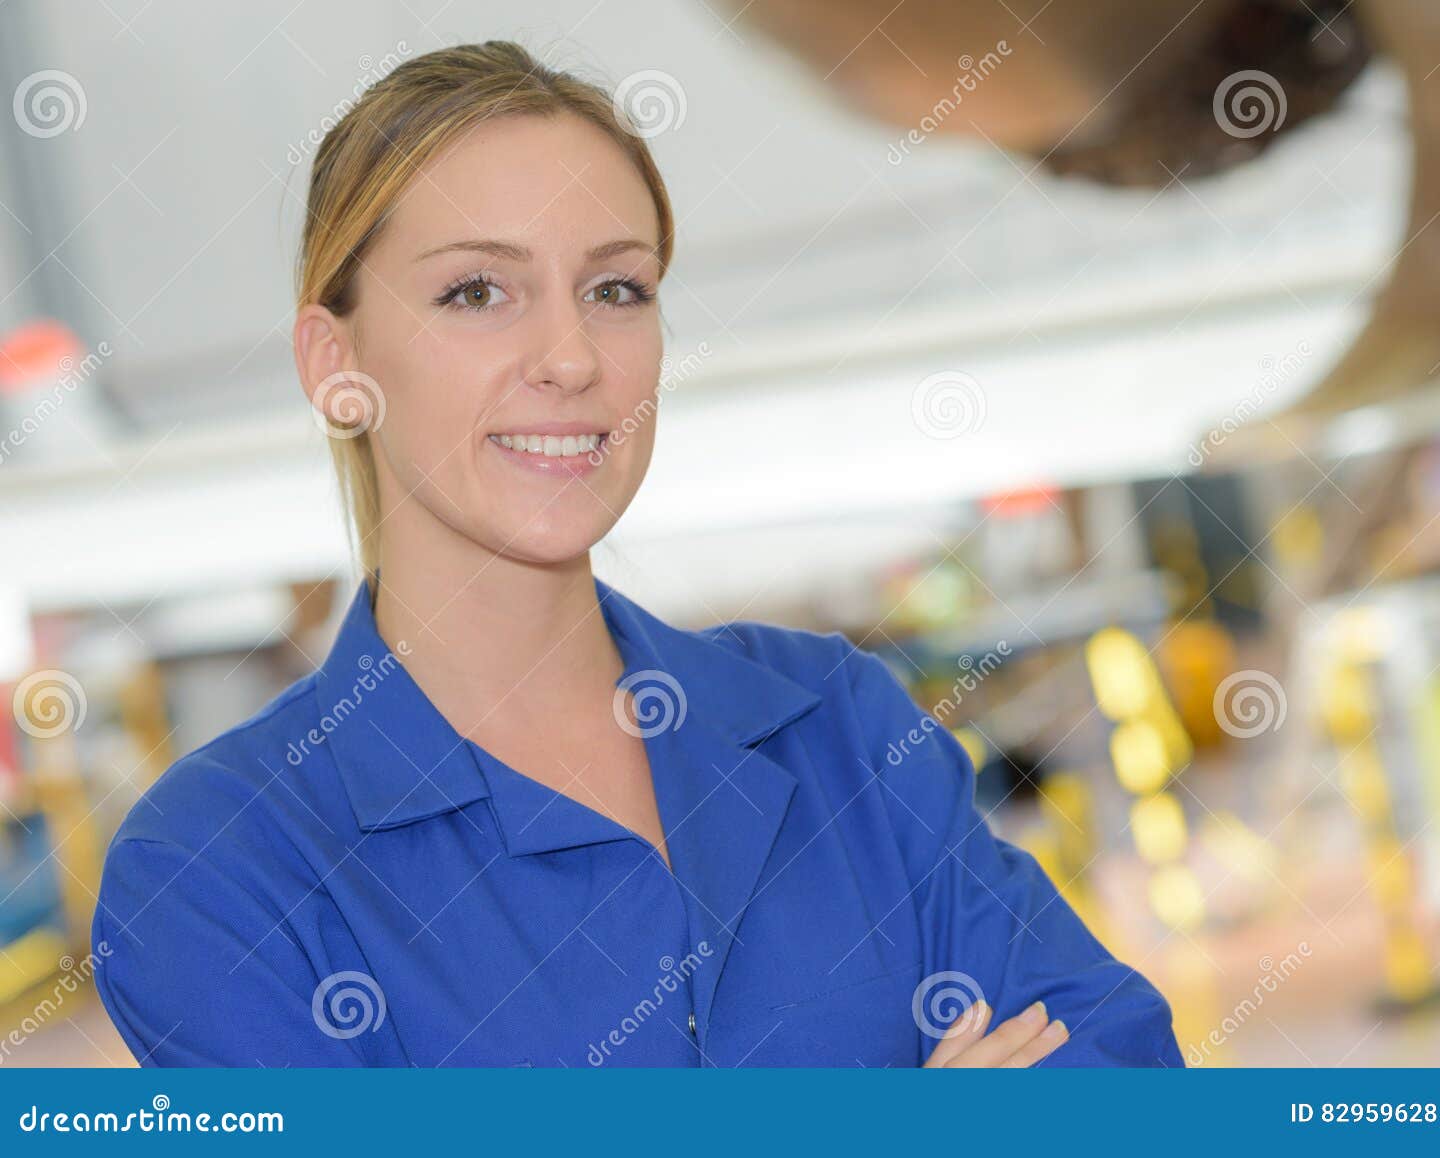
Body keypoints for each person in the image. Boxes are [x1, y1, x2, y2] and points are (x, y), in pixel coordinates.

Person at [90, 40, 1182, 1068]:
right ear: (336, 365)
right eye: (476, 292)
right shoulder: (217, 874)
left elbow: (1124, 1073)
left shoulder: (837, 729)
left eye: (615, 289)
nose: (570, 358)